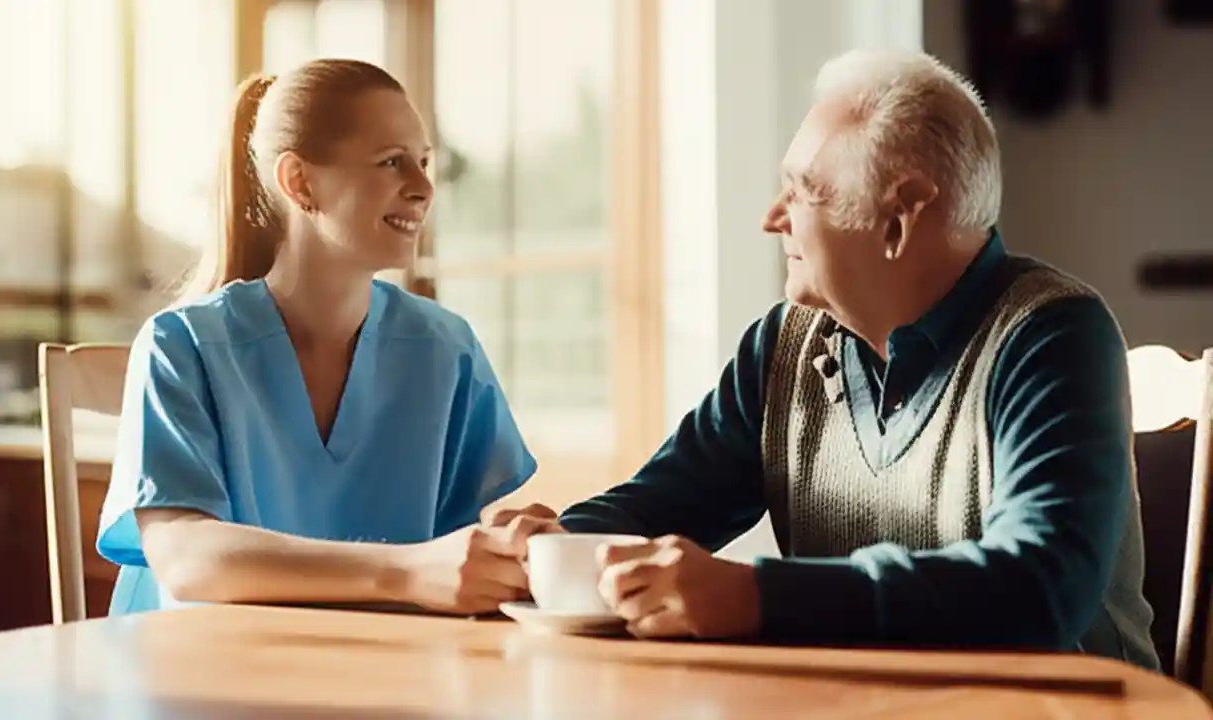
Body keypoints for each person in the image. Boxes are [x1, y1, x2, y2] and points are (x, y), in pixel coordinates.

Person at [489, 49, 1159, 669]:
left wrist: (757, 597)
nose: (772, 217)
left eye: (802, 189)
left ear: (899, 216)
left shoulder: (1052, 335)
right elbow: (660, 505)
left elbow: (1041, 587)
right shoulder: (782, 344)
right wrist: (549, 546)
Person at [96, 59, 536, 615]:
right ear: (299, 181)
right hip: (204, 685)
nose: (424, 188)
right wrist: (405, 573)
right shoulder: (181, 345)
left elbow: (464, 542)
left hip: (389, 680)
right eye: (391, 162)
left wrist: (511, 546)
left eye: (425, 163)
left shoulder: (446, 349)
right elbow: (186, 558)